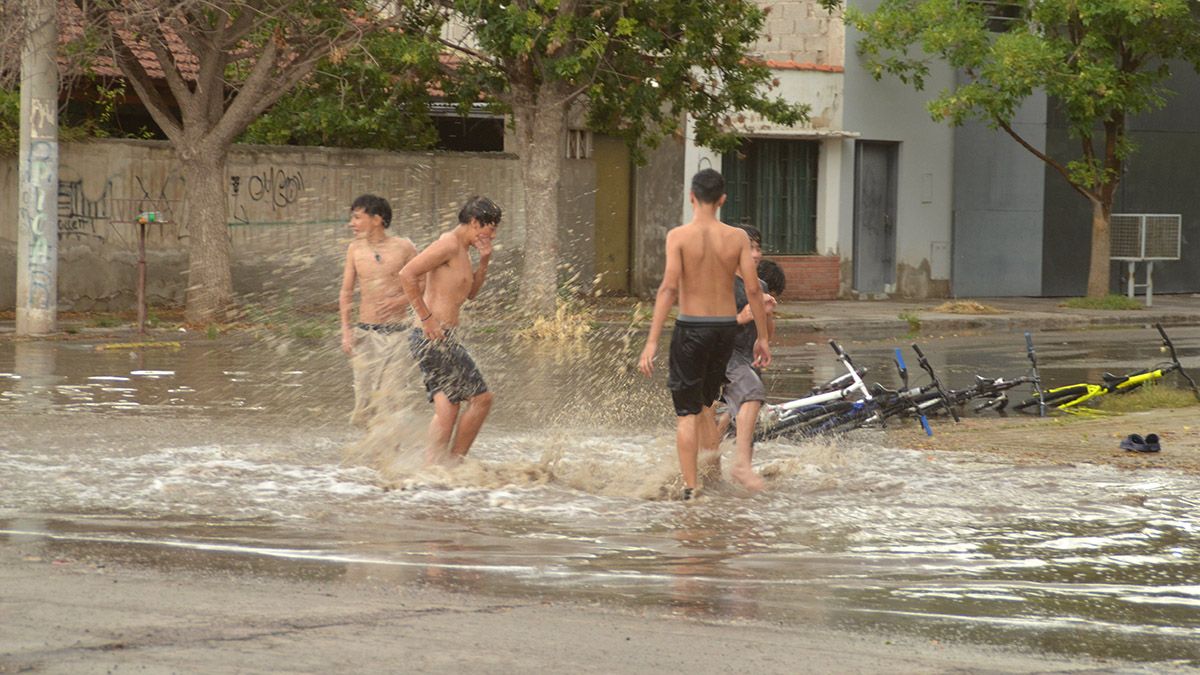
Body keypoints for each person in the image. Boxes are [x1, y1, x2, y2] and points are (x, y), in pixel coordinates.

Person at [638, 169, 771, 500]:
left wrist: (652, 341)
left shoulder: (679, 236)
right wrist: (763, 337)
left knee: (687, 414)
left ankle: (691, 487)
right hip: (724, 331)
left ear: (691, 197)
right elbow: (754, 290)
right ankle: (713, 475)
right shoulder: (737, 238)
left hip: (691, 328)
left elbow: (668, 289)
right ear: (722, 200)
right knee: (707, 405)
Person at [399, 196, 501, 466]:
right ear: (475, 222)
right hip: (433, 337)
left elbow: (472, 294)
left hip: (438, 337)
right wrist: (427, 318)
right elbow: (406, 274)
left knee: (448, 409)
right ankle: (455, 464)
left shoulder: (464, 250)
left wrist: (485, 261)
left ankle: (433, 469)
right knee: (482, 399)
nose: (492, 235)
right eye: (490, 228)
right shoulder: (449, 244)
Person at [339, 194, 419, 428]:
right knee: (364, 405)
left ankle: (392, 446)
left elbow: (423, 284)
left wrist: (401, 301)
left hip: (397, 335)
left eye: (357, 217)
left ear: (377, 219)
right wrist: (346, 330)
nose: (351, 223)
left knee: (390, 398)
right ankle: (373, 447)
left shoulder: (404, 247)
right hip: (365, 334)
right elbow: (346, 292)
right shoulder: (354, 249)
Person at [715, 234, 785, 492]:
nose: (756, 254)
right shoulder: (722, 282)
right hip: (722, 356)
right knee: (750, 395)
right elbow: (708, 328)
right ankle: (737, 467)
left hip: (748, 358)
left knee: (742, 416)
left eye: (758, 248)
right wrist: (739, 318)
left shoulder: (760, 284)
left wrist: (767, 315)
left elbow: (766, 331)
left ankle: (736, 481)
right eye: (750, 248)